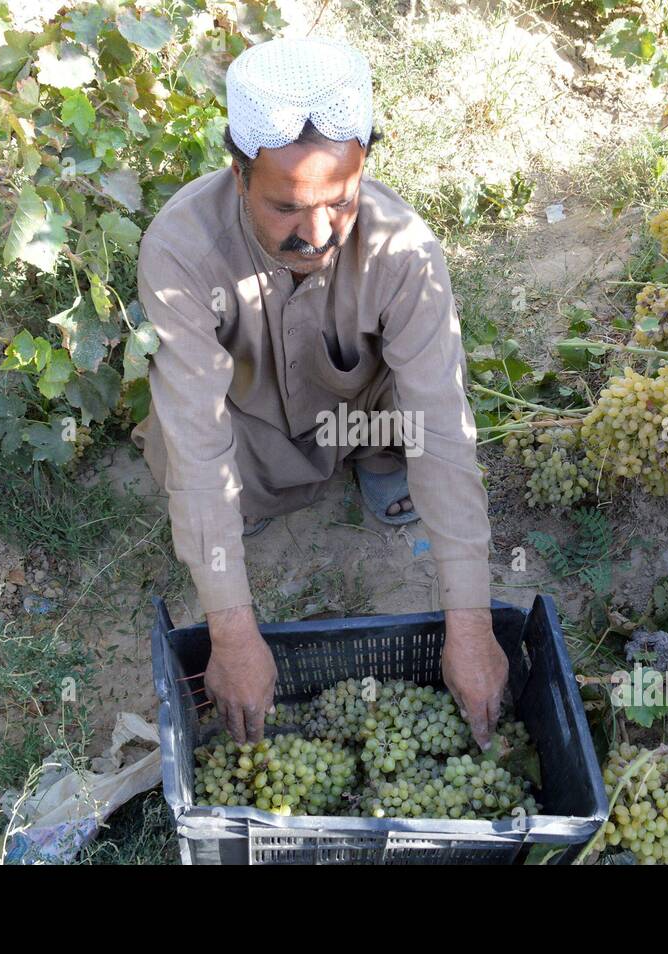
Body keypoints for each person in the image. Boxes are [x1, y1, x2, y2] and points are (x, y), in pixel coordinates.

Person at [131, 36, 507, 749]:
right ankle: (273, 491)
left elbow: (446, 433)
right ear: (238, 172)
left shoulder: (406, 252)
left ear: (367, 162)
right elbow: (197, 440)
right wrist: (233, 631)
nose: (318, 232)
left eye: (340, 199)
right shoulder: (179, 248)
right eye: (285, 209)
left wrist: (471, 625)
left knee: (423, 404)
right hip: (252, 429)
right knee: (193, 469)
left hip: (364, 410)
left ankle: (374, 460)